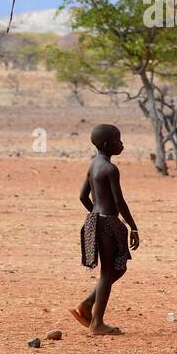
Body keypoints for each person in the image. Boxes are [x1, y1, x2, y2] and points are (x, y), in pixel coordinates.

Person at [70, 124, 140, 335]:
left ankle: (87, 304)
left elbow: (83, 196)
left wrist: (95, 215)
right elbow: (119, 202)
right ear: (107, 144)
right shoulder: (110, 169)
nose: (122, 144)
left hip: (96, 221)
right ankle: (97, 323)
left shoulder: (94, 165)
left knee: (117, 269)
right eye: (118, 141)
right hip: (108, 222)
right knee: (108, 271)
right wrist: (133, 227)